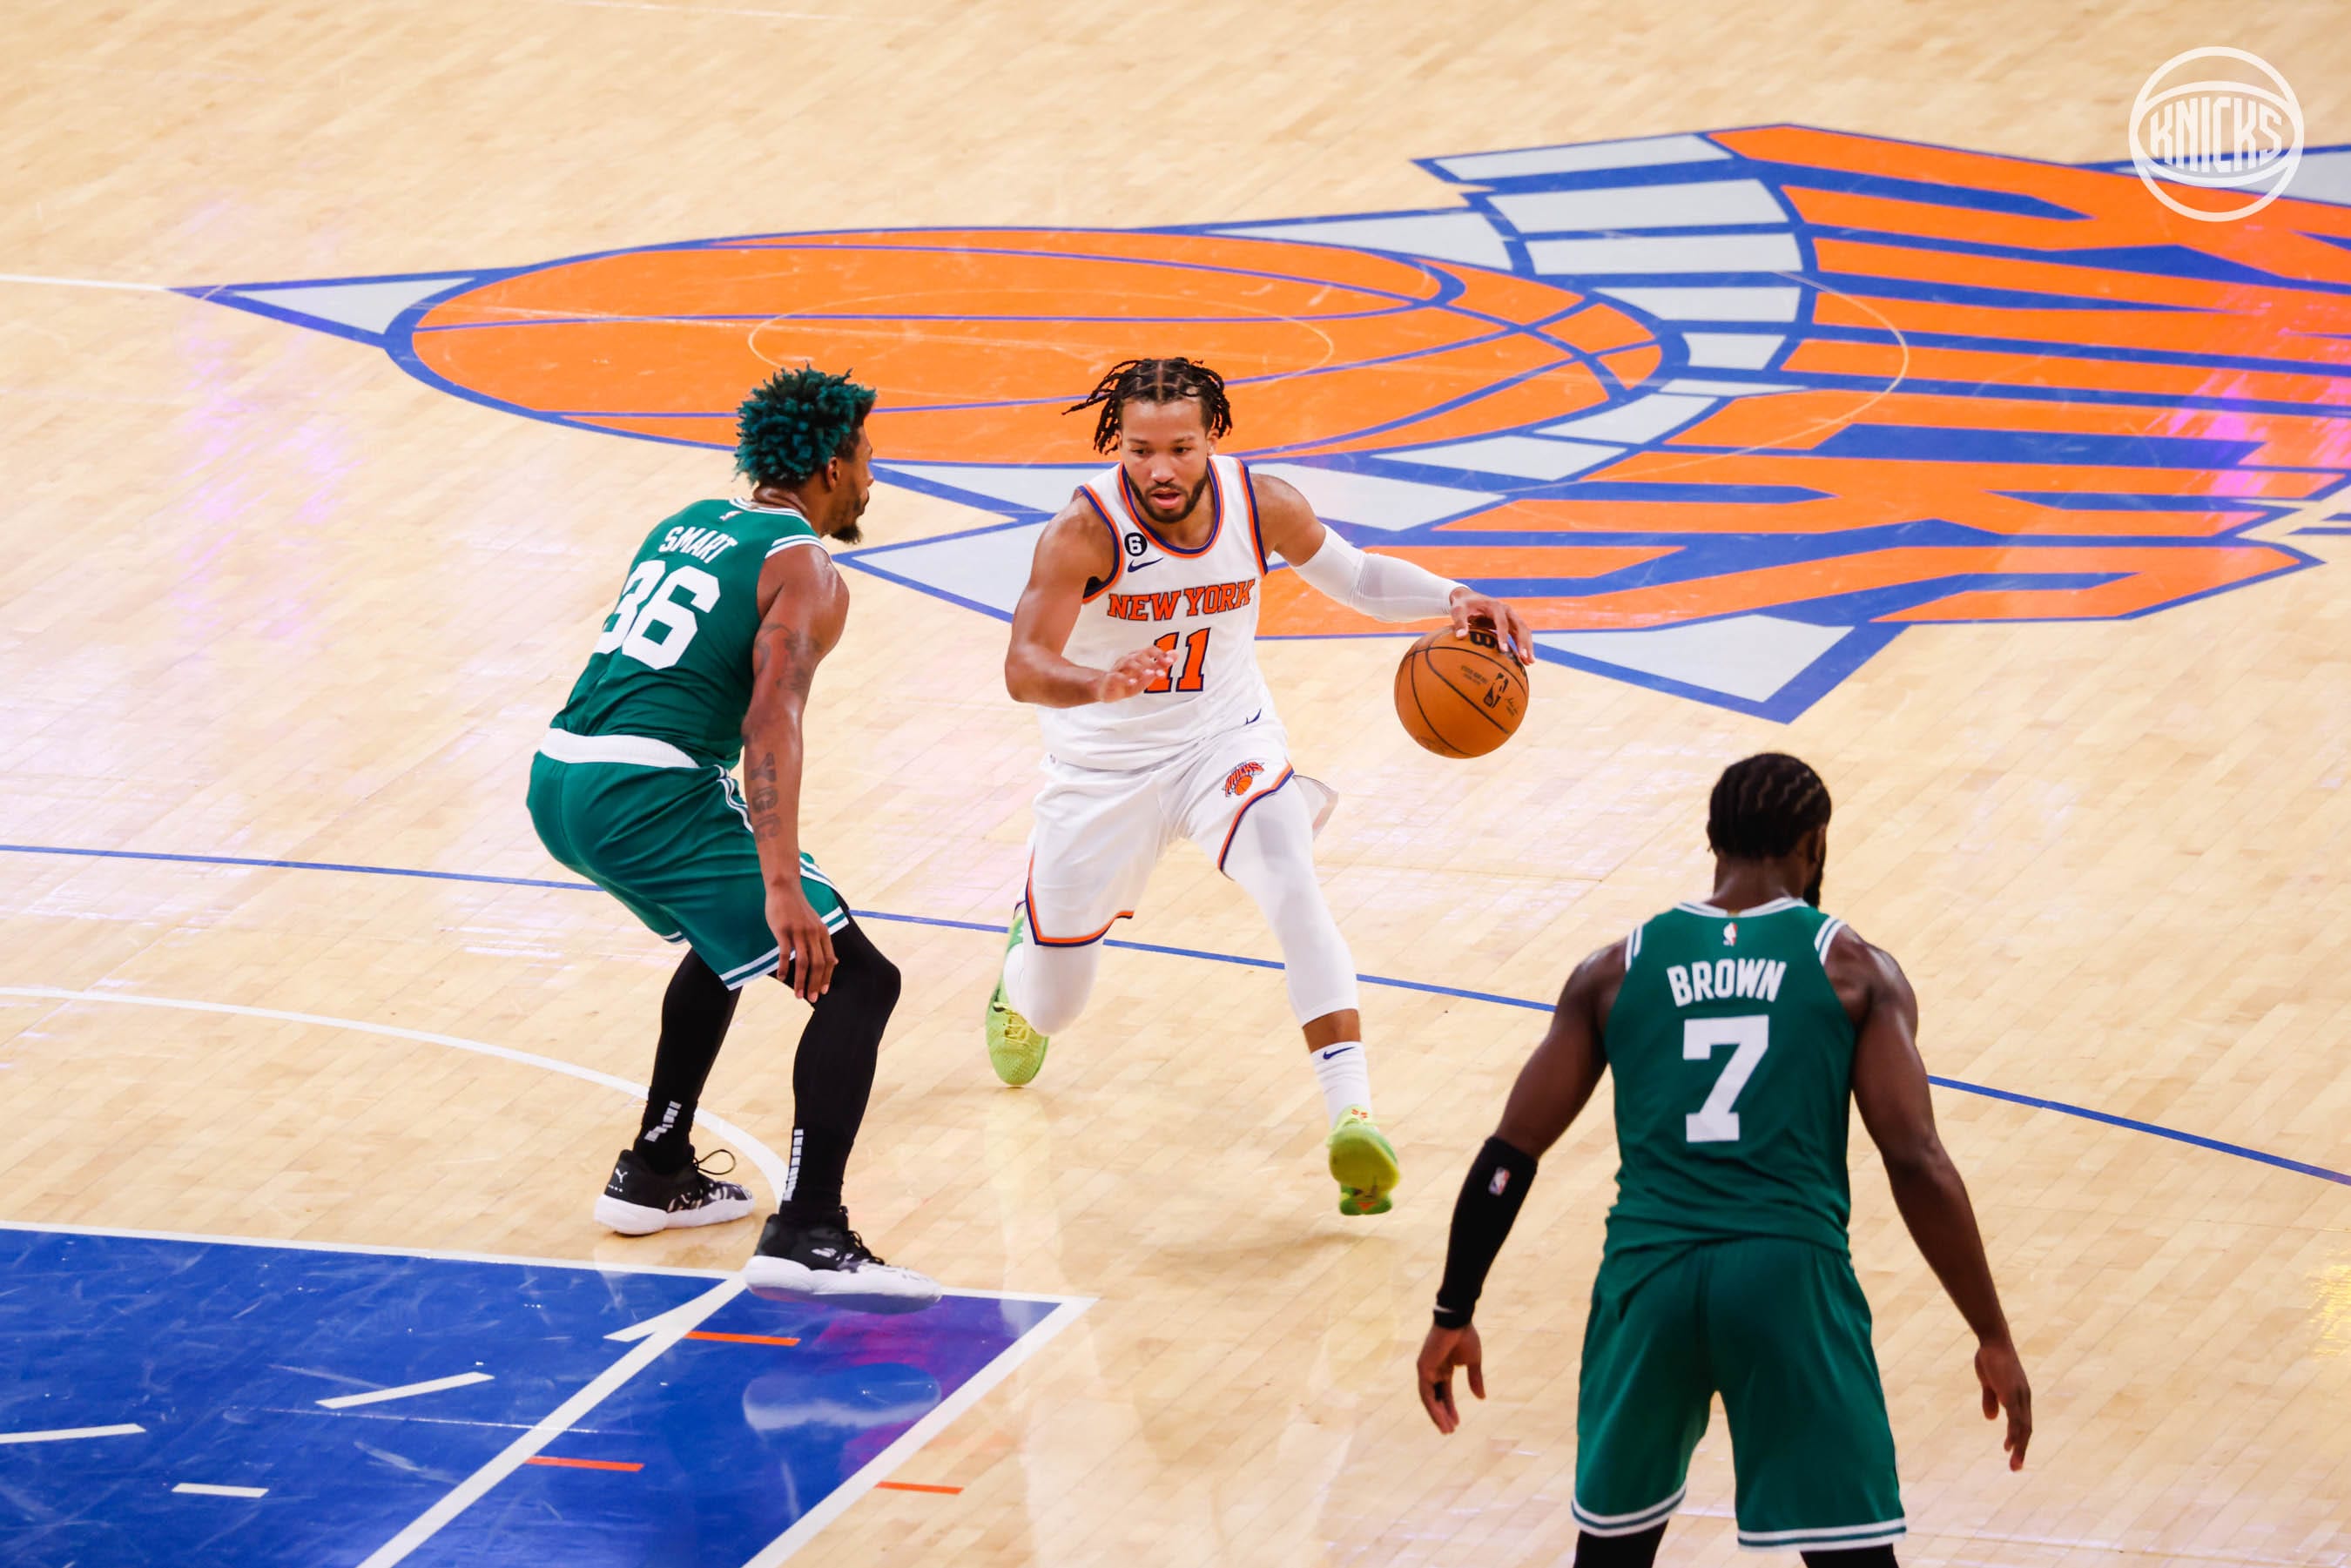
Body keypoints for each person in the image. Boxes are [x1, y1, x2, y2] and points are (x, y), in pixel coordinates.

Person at [1414, 753, 2031, 1562]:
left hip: (1650, 1279)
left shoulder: (1613, 970)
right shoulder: (1853, 969)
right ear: (1813, 845)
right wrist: (1991, 1330)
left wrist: (1453, 1309)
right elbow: (1915, 1158)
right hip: (1787, 1276)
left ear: (1714, 838)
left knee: (1609, 1555)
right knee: (1853, 1552)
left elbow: (1508, 1155)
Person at [986, 357, 1534, 1215]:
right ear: (1115, 444)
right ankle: (1025, 947)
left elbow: (1355, 577)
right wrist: (1097, 683)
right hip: (1102, 771)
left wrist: (1453, 597)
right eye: (1140, 451)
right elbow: (1022, 667)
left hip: (1224, 743)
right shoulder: (1082, 534)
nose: (1160, 470)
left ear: (1211, 439)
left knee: (1292, 884)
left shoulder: (1260, 503)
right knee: (1053, 1009)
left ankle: (1353, 1115)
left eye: (1179, 448)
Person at [527, 365, 938, 1313]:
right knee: (857, 977)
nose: (875, 476)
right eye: (870, 456)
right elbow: (770, 720)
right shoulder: (806, 567)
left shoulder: (683, 525)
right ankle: (808, 1229)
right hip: (644, 788)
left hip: (559, 776)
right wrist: (782, 879)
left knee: (722, 953)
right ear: (834, 466)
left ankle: (656, 1166)